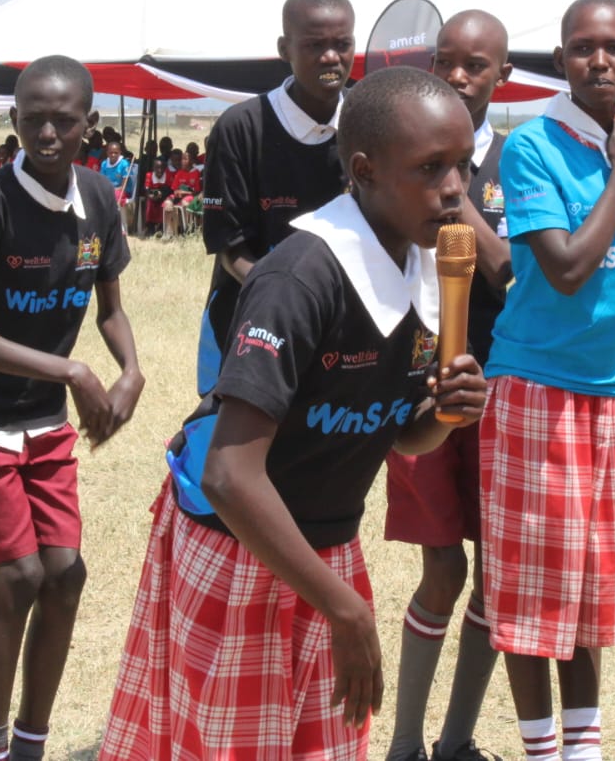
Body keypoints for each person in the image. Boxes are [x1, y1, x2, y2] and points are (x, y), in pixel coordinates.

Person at [99, 66, 486, 761]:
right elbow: (229, 474)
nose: (455, 188)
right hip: (243, 548)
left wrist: (444, 416)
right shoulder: (298, 278)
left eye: (462, 164)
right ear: (363, 170)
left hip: (327, 551)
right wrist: (342, 606)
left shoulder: (424, 266)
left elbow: (400, 437)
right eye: (430, 168)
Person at [482, 0, 615, 761]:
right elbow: (565, 269)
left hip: (613, 390)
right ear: (560, 59)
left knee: (591, 590)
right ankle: (541, 749)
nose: (600, 60)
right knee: (532, 591)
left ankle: (583, 748)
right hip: (534, 386)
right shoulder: (533, 145)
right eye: (581, 47)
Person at [0, 55, 145, 761]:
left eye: (63, 119)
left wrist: (131, 371)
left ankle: (31, 742)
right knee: (18, 576)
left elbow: (109, 305)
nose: (47, 132)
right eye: (32, 119)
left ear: (90, 122)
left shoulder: (98, 198)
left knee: (66, 574)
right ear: (13, 119)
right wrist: (74, 370)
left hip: (43, 418)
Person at [383, 11, 513, 761]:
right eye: (446, 62)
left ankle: (455, 741)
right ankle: (403, 743)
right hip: (422, 383)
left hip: (499, 389)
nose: (459, 77)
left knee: (496, 575)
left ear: (501, 75)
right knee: (443, 567)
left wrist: (457, 194)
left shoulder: (516, 162)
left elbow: (516, 275)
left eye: (476, 65)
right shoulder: (404, 155)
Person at [195, 0, 354, 395]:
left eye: (342, 44)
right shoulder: (241, 127)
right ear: (285, 49)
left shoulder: (368, 123)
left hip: (346, 329)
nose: (331, 57)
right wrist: (295, 300)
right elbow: (231, 248)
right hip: (250, 320)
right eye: (315, 45)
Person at [160, 152, 202, 241]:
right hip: (177, 196)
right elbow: (174, 189)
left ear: (191, 161)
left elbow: (196, 192)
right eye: (182, 159)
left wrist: (184, 192)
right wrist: (178, 192)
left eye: (185, 159)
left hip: (190, 196)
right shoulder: (179, 173)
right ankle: (168, 233)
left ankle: (186, 230)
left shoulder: (196, 173)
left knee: (185, 202)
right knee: (167, 203)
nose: (182, 161)